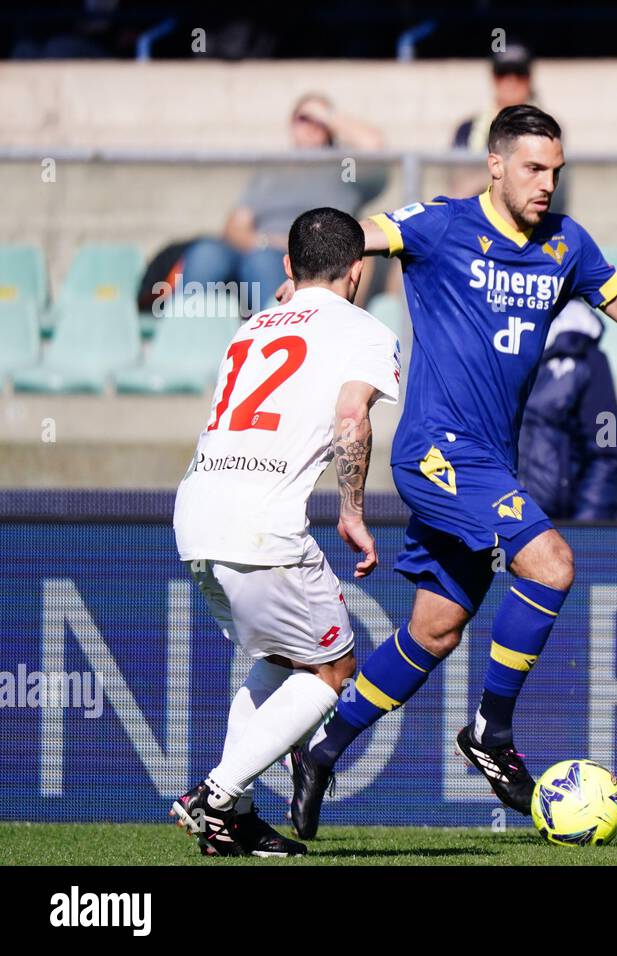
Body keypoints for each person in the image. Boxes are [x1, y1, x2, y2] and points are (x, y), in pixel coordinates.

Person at [284, 104, 617, 838]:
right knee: (551, 563)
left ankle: (321, 750)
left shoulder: (567, 242)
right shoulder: (439, 225)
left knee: (435, 630)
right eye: (533, 168)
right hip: (435, 449)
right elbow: (354, 233)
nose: (546, 184)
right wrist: (313, 285)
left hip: (488, 460)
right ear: (495, 164)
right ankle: (490, 731)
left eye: (555, 171)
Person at [168, 208, 401, 857]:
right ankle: (215, 796)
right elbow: (352, 417)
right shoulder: (365, 330)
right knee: (332, 669)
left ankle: (234, 816)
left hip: (195, 509)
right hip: (261, 522)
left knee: (278, 658)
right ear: (358, 271)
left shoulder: (252, 326)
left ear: (287, 268)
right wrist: (351, 512)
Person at [184, 93, 388, 314]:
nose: (311, 126)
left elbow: (374, 144)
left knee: (262, 262)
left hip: (309, 257)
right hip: (259, 247)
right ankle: (183, 333)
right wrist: (264, 242)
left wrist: (326, 115)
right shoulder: (272, 171)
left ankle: (274, 335)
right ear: (291, 125)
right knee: (206, 253)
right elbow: (235, 225)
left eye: (319, 120)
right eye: (304, 119)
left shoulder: (346, 168)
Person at [517, 301, 617, 520]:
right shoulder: (480, 342)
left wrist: (583, 538)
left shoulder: (586, 359)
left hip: (554, 529)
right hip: (487, 528)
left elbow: (608, 457)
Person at [448, 43, 567, 214]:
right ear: (493, 78)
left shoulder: (549, 129)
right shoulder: (467, 129)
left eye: (519, 74)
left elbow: (549, 188)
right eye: (503, 73)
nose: (511, 81)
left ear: (529, 78)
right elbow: (459, 189)